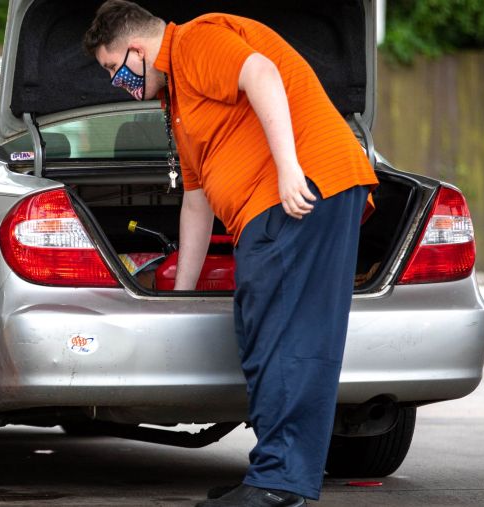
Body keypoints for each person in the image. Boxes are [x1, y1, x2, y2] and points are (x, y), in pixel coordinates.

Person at [84, 2, 379, 506]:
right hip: (272, 208)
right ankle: (272, 473)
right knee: (260, 331)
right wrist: (178, 297)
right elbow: (196, 203)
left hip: (299, 194)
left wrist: (289, 169)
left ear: (136, 48)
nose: (117, 82)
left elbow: (261, 74)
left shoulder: (195, 41)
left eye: (114, 68)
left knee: (288, 338)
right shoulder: (177, 100)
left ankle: (279, 483)